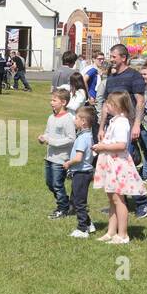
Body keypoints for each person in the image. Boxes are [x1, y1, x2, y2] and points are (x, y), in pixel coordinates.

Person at [99, 43, 147, 219]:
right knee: (113, 166)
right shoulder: (112, 77)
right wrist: (101, 127)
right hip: (111, 126)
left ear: (123, 57)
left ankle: (142, 202)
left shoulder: (134, 76)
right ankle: (118, 203)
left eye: (113, 56)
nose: (111, 59)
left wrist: (136, 124)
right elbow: (106, 105)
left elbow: (140, 101)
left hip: (126, 126)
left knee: (125, 166)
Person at [92, 91, 146, 244]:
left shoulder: (122, 122)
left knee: (118, 199)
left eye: (108, 103)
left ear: (116, 105)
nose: (106, 106)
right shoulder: (114, 121)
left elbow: (122, 145)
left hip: (117, 165)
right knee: (112, 199)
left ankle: (123, 234)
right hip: (110, 163)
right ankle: (111, 231)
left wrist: (103, 146)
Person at [39, 88, 74, 219]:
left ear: (63, 102)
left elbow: (71, 138)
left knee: (57, 184)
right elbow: (48, 132)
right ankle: (66, 202)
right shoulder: (51, 117)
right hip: (49, 156)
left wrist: (52, 141)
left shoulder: (68, 119)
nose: (51, 102)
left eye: (54, 100)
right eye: (51, 100)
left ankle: (62, 209)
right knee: (50, 183)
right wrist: (43, 138)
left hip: (61, 159)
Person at [63, 104, 97, 237]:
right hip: (83, 173)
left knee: (79, 202)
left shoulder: (83, 138)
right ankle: (88, 224)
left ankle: (82, 229)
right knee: (77, 199)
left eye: (76, 118)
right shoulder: (87, 136)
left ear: (83, 121)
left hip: (81, 173)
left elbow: (78, 158)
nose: (74, 120)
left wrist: (68, 163)